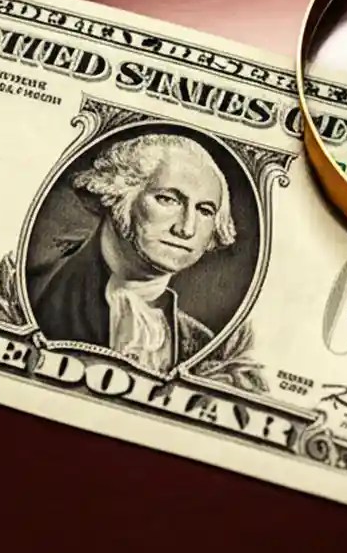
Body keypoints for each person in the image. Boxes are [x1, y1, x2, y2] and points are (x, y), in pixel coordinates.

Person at [28, 132, 236, 376]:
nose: (186, 229)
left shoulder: (202, 344)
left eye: (205, 210)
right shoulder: (38, 290)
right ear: (118, 195)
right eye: (168, 199)